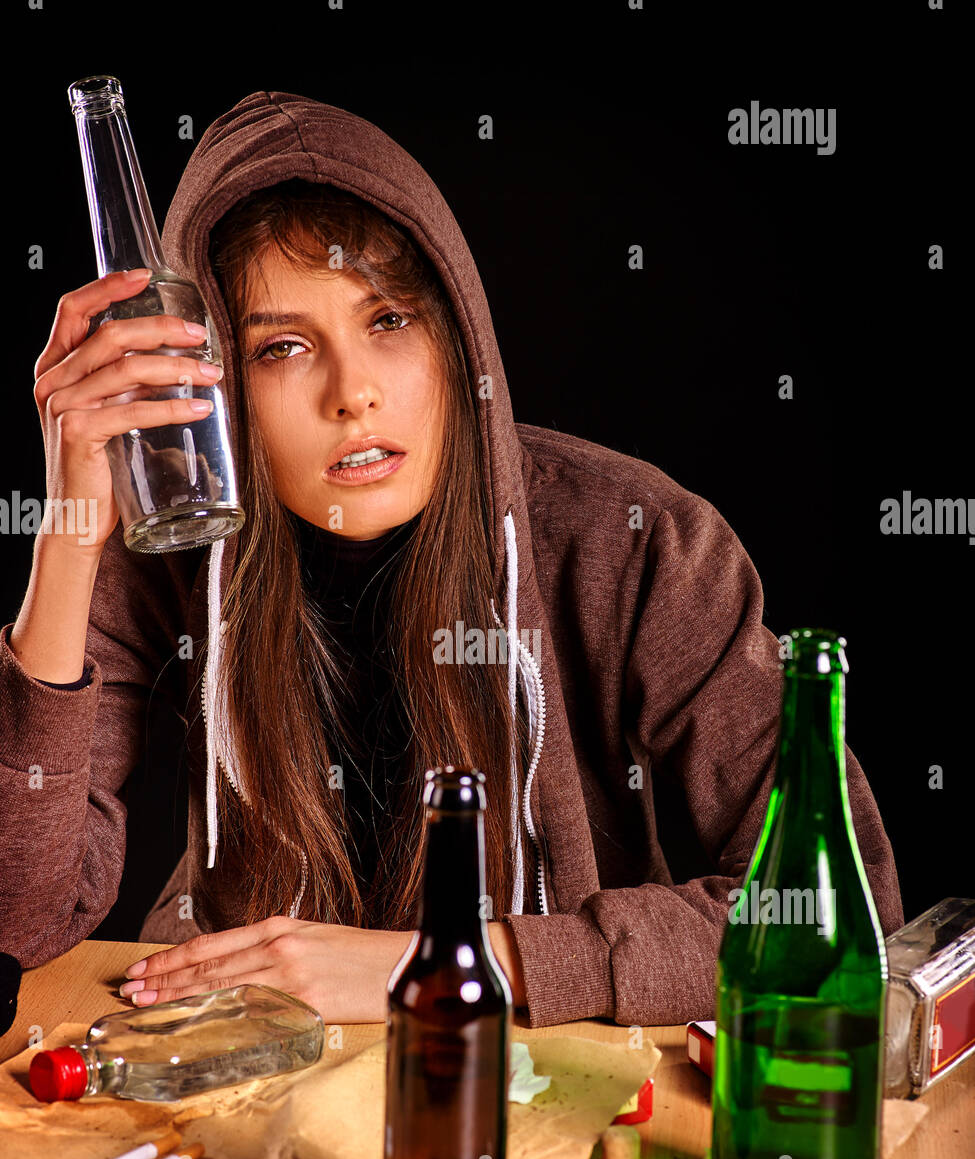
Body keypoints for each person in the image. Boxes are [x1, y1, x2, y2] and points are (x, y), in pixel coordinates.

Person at [1, 91, 904, 1026]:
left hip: (537, 1083)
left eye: (388, 321)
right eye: (282, 347)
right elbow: (16, 923)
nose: (353, 395)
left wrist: (441, 967)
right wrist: (72, 529)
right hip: (243, 1070)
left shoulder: (639, 540)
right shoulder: (178, 546)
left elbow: (839, 917)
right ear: (210, 379)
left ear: (455, 331)